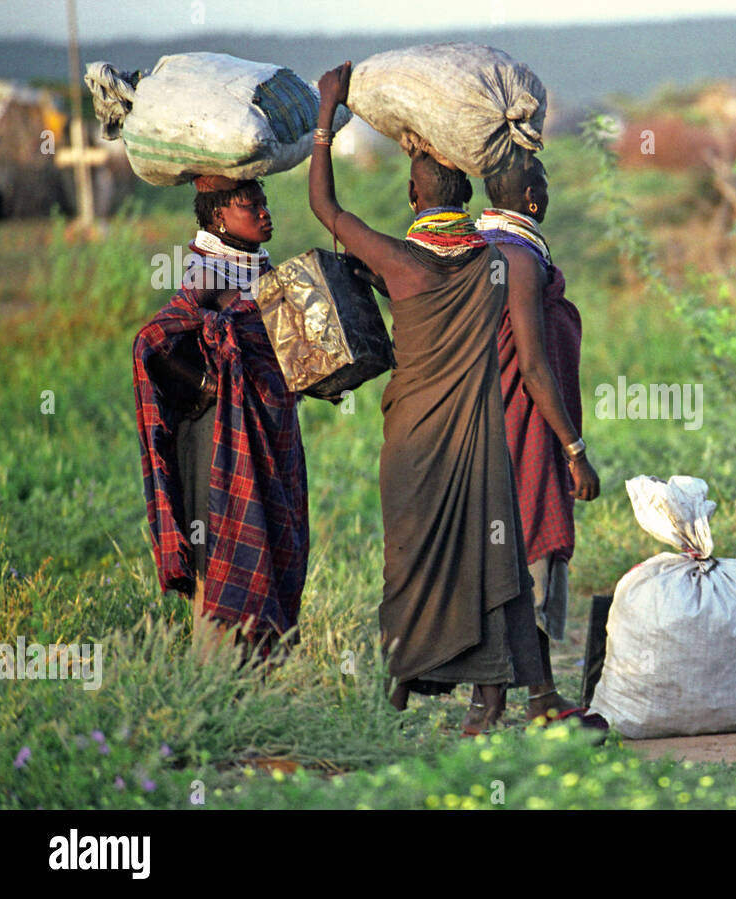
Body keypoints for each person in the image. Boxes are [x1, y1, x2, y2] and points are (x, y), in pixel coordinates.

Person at [308, 62, 544, 733]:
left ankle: (401, 693)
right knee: (490, 561)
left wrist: (327, 114)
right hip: (476, 445)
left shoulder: (401, 263)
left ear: (415, 198)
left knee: (408, 563)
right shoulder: (496, 264)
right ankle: (488, 705)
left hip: (411, 444)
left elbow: (326, 210)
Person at [132, 175, 309, 665]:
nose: (264, 212)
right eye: (250, 205)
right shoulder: (207, 275)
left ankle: (256, 684)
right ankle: (213, 685)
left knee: (268, 541)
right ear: (218, 218)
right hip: (218, 442)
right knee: (221, 545)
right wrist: (210, 385)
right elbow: (152, 341)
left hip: (269, 436)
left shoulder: (258, 273)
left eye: (264, 201)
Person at [477, 155, 602, 725]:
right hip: (523, 430)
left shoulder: (477, 249)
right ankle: (532, 699)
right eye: (543, 184)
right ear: (529, 196)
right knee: (533, 554)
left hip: (480, 430)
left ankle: (498, 705)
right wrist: (574, 450)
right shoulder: (518, 258)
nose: (548, 193)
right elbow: (532, 364)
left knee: (503, 560)